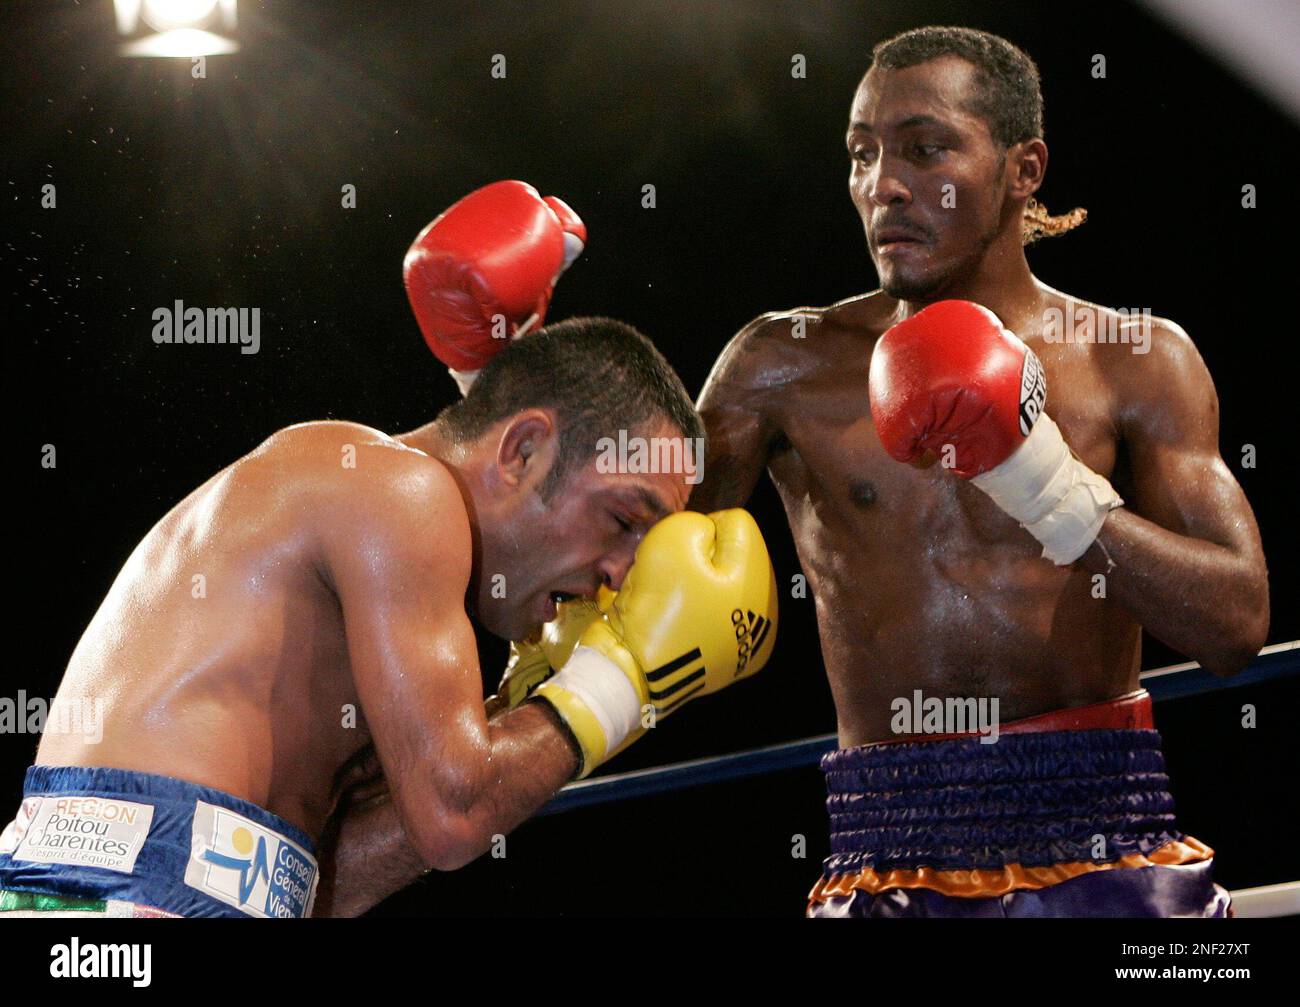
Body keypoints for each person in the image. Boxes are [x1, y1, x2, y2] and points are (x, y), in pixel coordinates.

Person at [0, 182, 779, 917]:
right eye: (622, 520)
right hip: (124, 880)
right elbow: (454, 814)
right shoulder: (399, 490)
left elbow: (329, 883)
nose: (621, 578)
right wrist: (626, 678)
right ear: (522, 450)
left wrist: (522, 715)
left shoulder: (374, 607)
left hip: (130, 881)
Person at [690, 26, 1268, 917]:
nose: (883, 185)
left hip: (1114, 850)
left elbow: (1236, 624)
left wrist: (1048, 482)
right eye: (862, 153)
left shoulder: (1136, 358)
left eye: (925, 149)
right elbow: (621, 571)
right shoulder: (782, 364)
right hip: (885, 861)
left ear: (1024, 168)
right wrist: (505, 374)